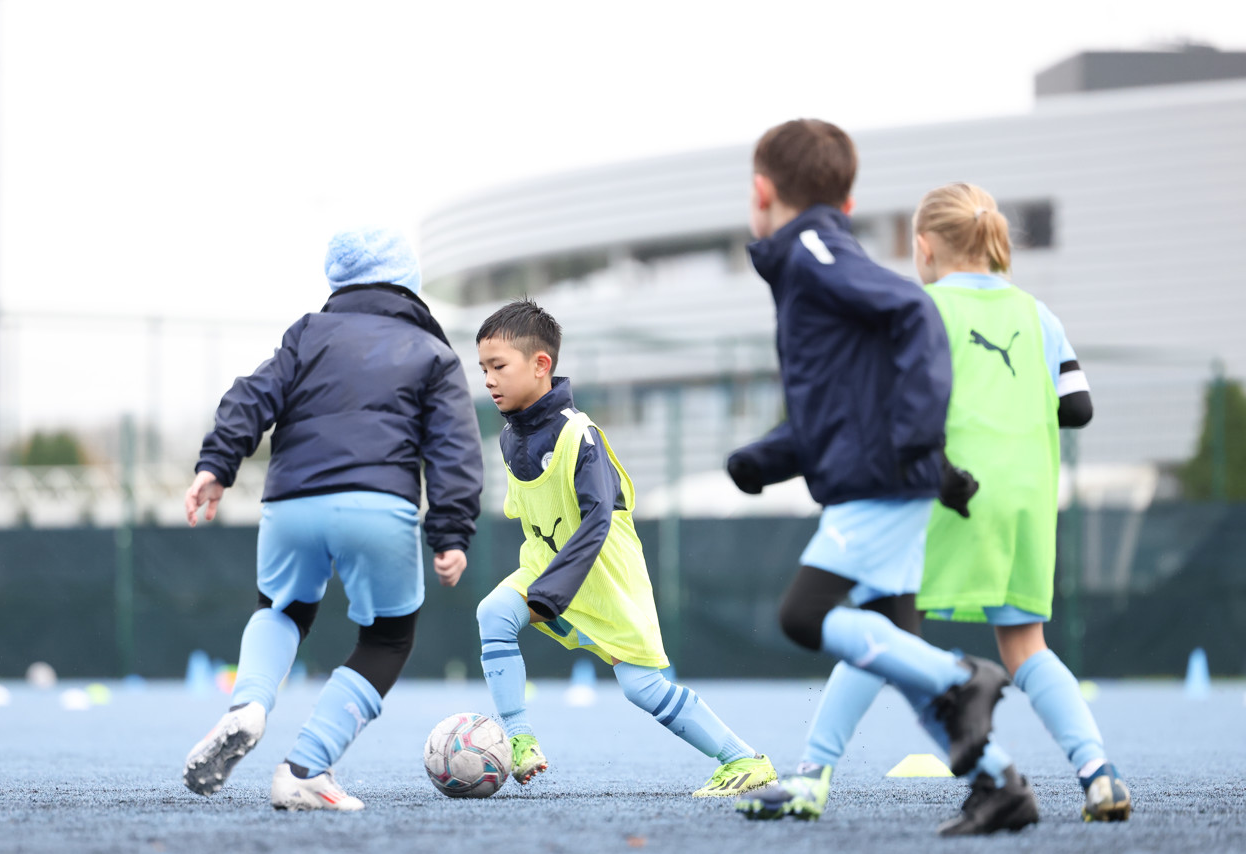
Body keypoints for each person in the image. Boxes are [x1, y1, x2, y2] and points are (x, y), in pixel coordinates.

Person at [726, 120, 1036, 836]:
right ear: (850, 199)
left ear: (762, 190)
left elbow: (912, 312)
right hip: (883, 476)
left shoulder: (809, 250)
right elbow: (843, 400)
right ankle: (999, 785)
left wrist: (917, 443)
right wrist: (767, 458)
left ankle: (963, 680)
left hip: (879, 483)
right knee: (889, 650)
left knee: (805, 615)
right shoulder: (814, 258)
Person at [791, 182, 1131, 824]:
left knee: (881, 630)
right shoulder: (1039, 315)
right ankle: (1099, 773)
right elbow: (1078, 407)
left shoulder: (919, 310)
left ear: (924, 246)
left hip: (946, 492)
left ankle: (811, 775)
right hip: (1025, 502)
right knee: (1027, 646)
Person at [180, 227, 483, 811]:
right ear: (408, 283)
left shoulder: (306, 335)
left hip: (291, 501)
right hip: (379, 502)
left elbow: (251, 395)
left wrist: (217, 464)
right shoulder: (433, 352)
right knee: (388, 637)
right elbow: (455, 450)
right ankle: (305, 768)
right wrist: (450, 531)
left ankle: (248, 704)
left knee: (282, 610)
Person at [473, 298, 777, 798]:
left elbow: (597, 521)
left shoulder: (580, 435)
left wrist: (553, 591)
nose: (488, 378)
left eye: (498, 366)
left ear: (541, 365)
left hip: (604, 582)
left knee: (643, 688)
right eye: (483, 368)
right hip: (547, 571)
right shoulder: (509, 439)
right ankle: (520, 740)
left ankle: (743, 760)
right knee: (493, 614)